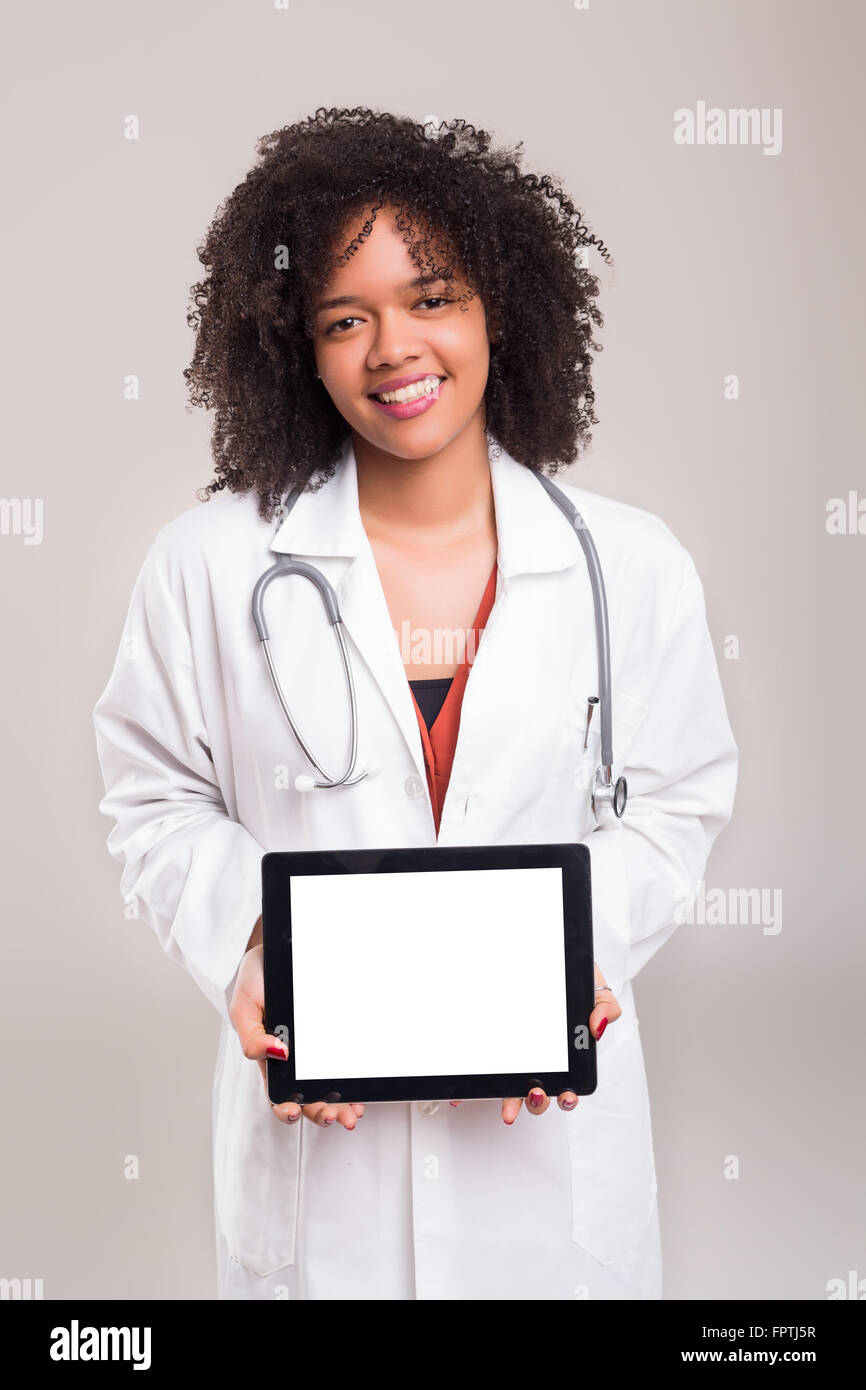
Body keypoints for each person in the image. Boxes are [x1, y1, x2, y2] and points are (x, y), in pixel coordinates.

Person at [92, 108, 738, 1300]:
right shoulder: (210, 565)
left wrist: (572, 956)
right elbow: (152, 794)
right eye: (346, 318)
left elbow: (675, 801)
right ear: (300, 345)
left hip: (544, 1183)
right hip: (317, 1178)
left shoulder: (627, 565)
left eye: (430, 296)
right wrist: (255, 947)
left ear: (499, 303)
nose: (395, 347)